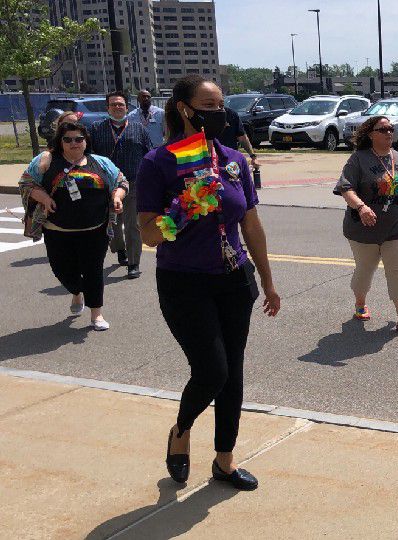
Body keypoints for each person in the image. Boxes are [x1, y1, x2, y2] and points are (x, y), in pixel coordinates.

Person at [137, 75, 281, 491]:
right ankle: (181, 430)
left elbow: (251, 224)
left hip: (234, 279)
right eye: (208, 106)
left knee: (232, 373)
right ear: (184, 109)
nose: (219, 113)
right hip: (184, 283)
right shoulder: (158, 163)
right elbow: (148, 235)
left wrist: (268, 279)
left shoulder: (233, 160)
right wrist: (184, 206)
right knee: (211, 371)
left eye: (221, 105)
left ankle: (224, 460)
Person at [18, 122, 127, 330]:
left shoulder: (101, 162)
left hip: (95, 231)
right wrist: (44, 198)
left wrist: (117, 198)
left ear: (86, 141)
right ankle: (76, 291)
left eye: (78, 139)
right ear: (60, 142)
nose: (74, 143)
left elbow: (121, 182)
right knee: (62, 271)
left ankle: (96, 314)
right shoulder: (46, 162)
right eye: (68, 139)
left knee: (93, 271)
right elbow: (26, 183)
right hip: (57, 231)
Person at [334, 115, 398, 337]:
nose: (389, 132)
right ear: (371, 134)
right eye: (383, 129)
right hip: (364, 229)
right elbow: (345, 188)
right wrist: (361, 207)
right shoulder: (358, 159)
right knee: (365, 269)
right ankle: (360, 303)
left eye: (391, 128)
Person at [90, 91, 153, 279]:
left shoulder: (138, 128)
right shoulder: (97, 128)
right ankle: (120, 248)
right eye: (113, 104)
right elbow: (90, 156)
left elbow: (149, 154)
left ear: (127, 107)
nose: (117, 107)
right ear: (107, 108)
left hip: (133, 183)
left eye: (121, 104)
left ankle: (134, 263)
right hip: (107, 185)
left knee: (133, 224)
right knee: (114, 223)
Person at [216, 106, 260, 171]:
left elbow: (242, 137)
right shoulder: (204, 115)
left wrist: (253, 157)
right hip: (209, 159)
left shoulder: (231, 114)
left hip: (230, 159)